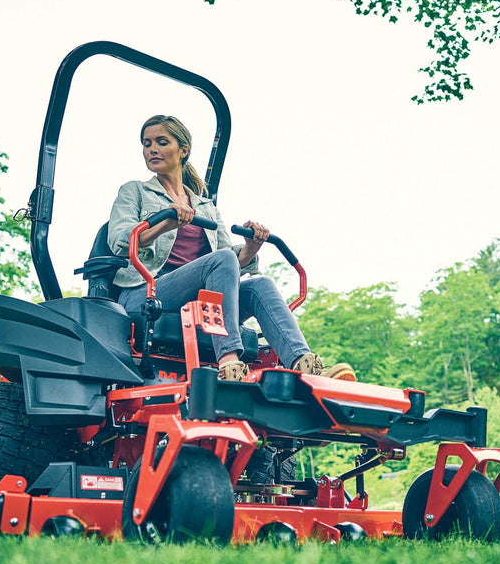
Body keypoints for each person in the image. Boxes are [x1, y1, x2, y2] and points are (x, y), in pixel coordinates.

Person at [108, 114, 353, 382]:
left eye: (161, 142)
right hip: (146, 291)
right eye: (146, 143)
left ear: (183, 150)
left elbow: (229, 262)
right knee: (221, 259)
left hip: (198, 296)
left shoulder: (204, 206)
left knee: (260, 285)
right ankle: (229, 363)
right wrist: (164, 225)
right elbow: (120, 239)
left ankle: (305, 365)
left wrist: (251, 247)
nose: (152, 149)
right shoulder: (135, 192)